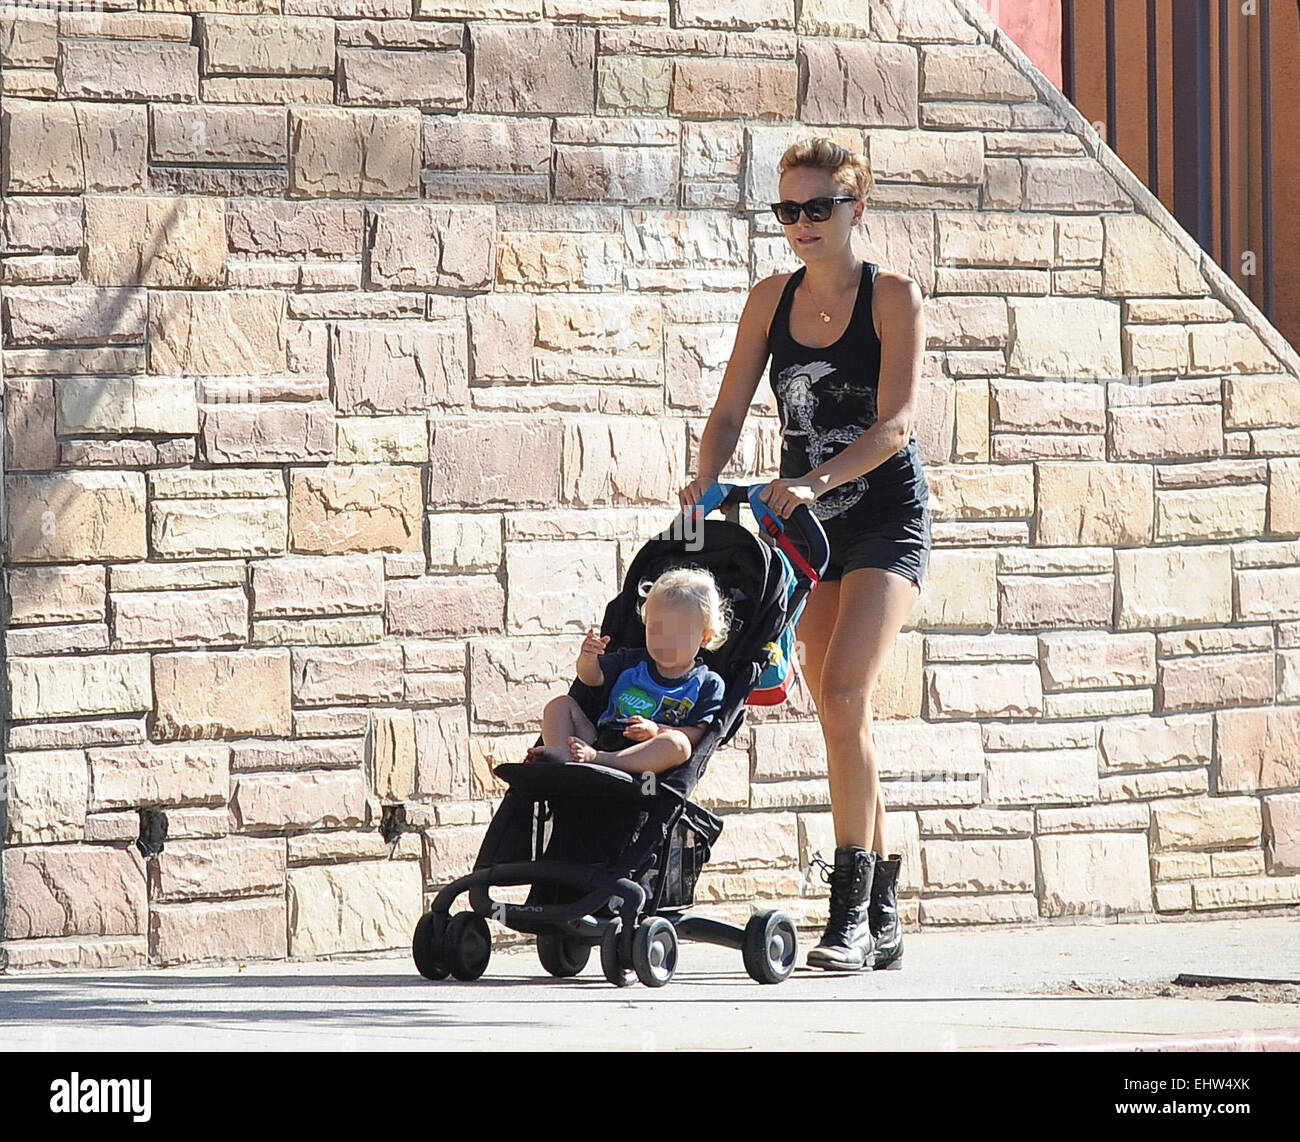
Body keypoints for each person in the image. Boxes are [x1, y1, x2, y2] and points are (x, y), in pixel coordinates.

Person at [678, 137, 931, 971]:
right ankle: (886, 909)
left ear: (857, 206)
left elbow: (894, 426)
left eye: (818, 207)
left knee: (847, 688)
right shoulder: (769, 299)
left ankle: (851, 914)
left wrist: (815, 478)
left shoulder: (893, 297)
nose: (801, 223)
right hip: (811, 530)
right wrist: (702, 485)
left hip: (882, 520)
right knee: (835, 707)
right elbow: (727, 411)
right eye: (788, 209)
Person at [525, 568, 730, 776]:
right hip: (598, 740)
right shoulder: (631, 661)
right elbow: (592, 678)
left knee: (680, 745)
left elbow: (699, 735)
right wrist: (588, 658)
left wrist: (657, 731)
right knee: (560, 705)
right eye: (656, 630)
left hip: (645, 758)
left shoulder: (706, 683)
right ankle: (564, 754)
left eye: (678, 634)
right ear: (645, 624)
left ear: (705, 637)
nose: (665, 641)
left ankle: (598, 761)